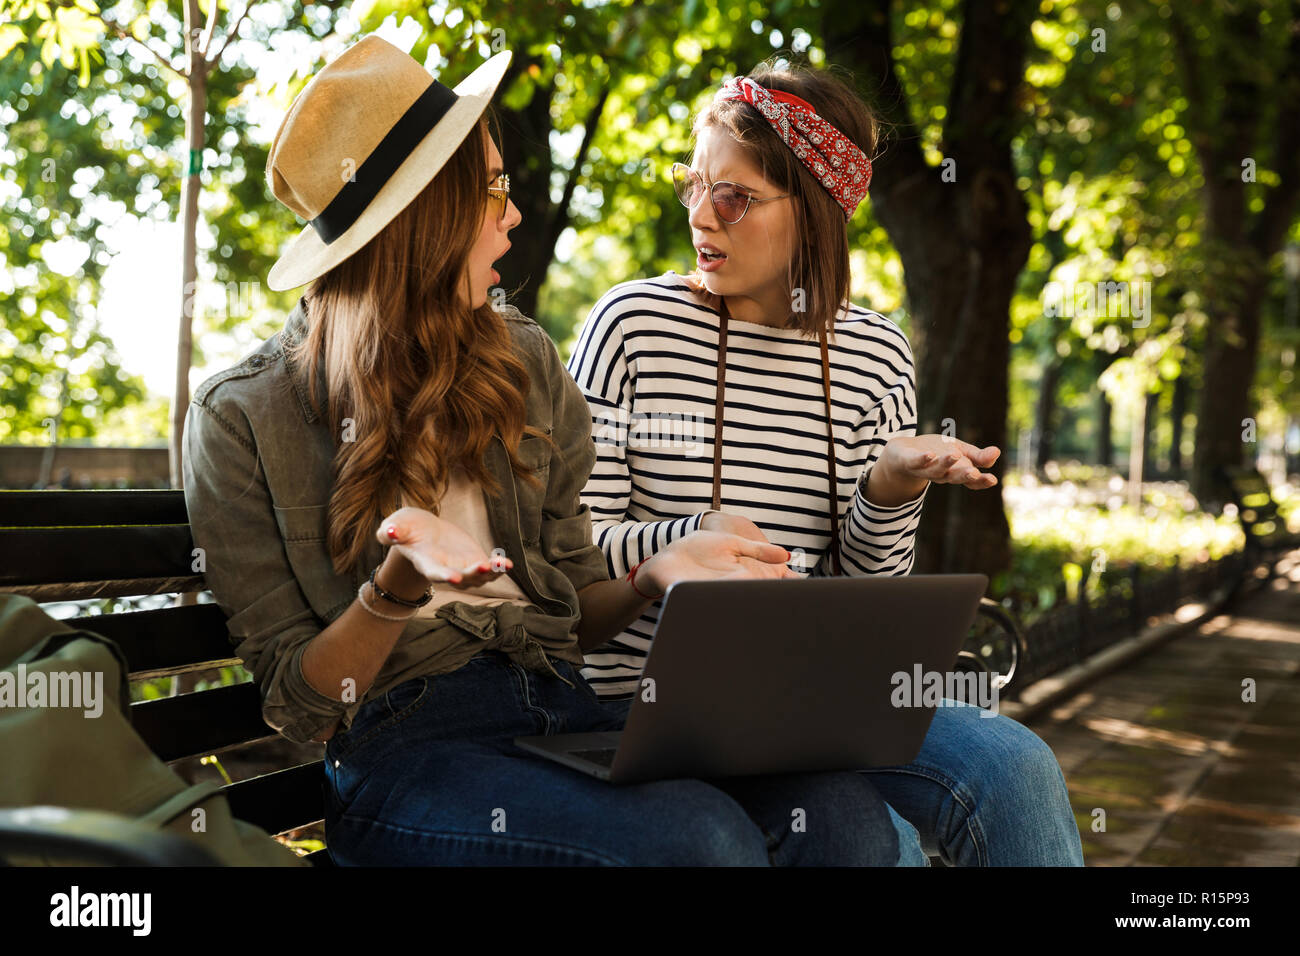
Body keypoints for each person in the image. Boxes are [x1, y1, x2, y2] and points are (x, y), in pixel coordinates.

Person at [181, 35, 909, 866]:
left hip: (564, 716)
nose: (515, 212)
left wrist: (649, 575)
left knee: (846, 819)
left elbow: (570, 617)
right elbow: (301, 707)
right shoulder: (243, 417)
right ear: (424, 214)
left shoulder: (519, 360)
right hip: (410, 757)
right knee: (701, 843)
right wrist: (397, 584)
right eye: (492, 189)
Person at [567, 61, 1085, 866]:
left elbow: (871, 598)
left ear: (814, 211)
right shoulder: (632, 325)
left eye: (733, 196)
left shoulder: (876, 352)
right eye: (693, 184)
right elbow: (574, 548)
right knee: (884, 849)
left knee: (1017, 765)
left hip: (818, 701)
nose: (703, 215)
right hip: (648, 706)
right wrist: (679, 543)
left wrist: (890, 483)